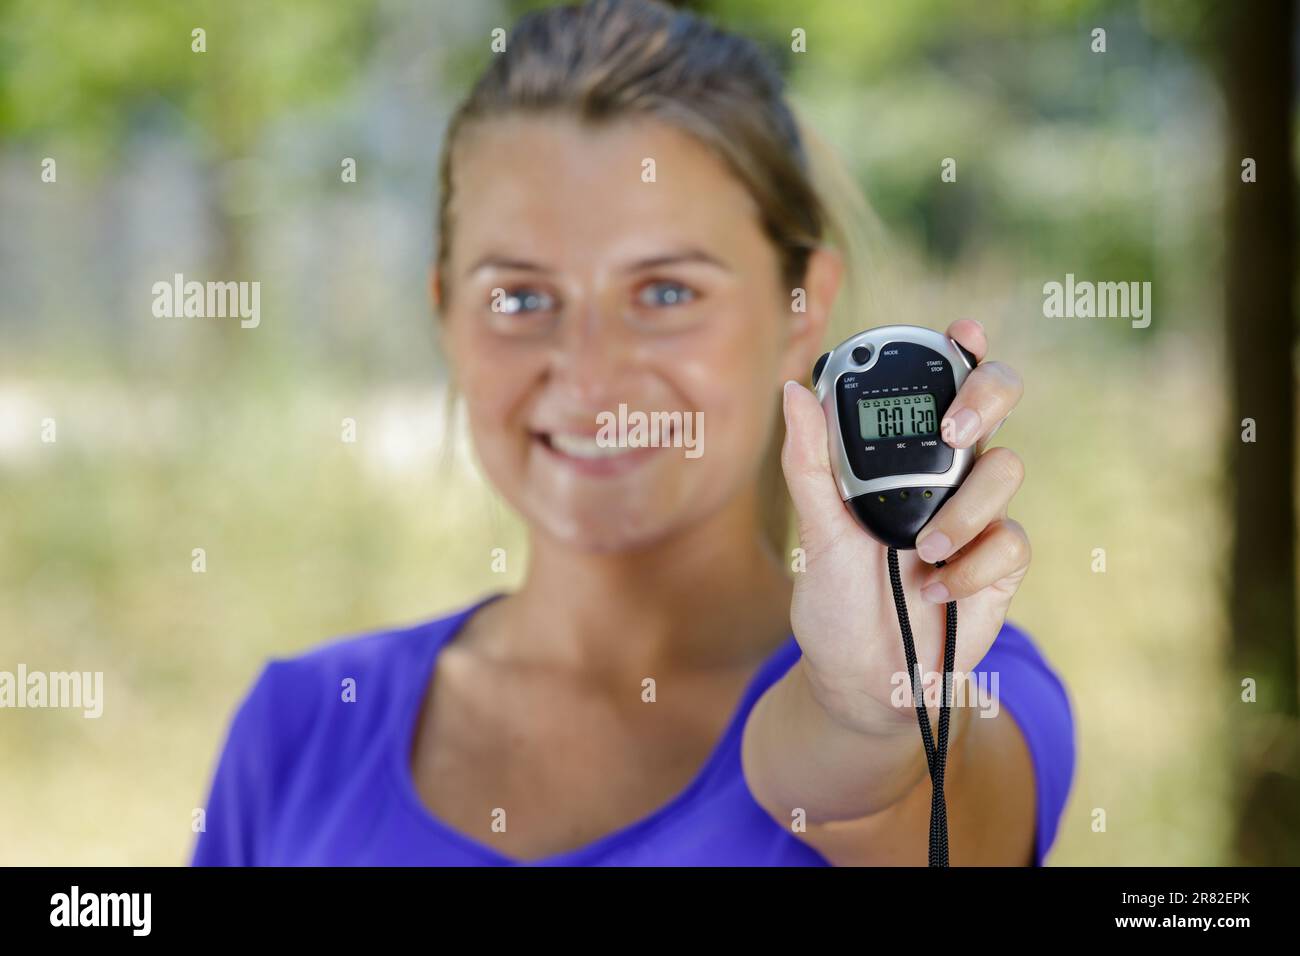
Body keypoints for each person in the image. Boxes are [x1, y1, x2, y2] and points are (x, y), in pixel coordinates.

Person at [192, 0, 1074, 867]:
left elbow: (898, 800)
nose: (588, 374)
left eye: (665, 294)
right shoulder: (298, 731)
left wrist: (869, 712)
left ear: (802, 312)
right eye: (521, 298)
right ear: (445, 315)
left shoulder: (960, 681)